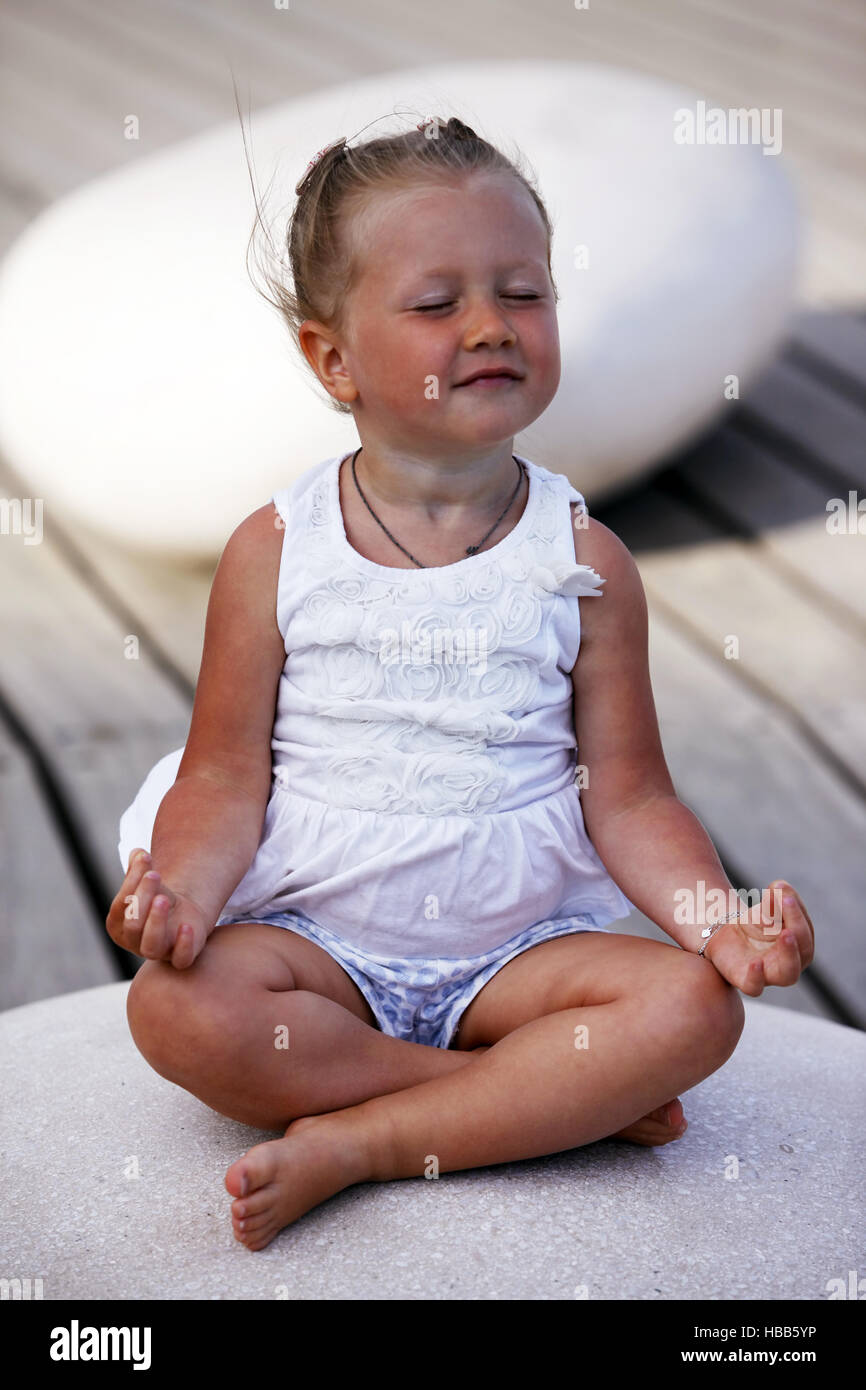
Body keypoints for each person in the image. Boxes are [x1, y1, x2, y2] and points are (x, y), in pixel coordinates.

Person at [107, 116, 815, 1252]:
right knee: (175, 1009)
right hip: (317, 946)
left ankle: (364, 1137)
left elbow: (627, 799)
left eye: (523, 293)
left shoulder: (582, 564)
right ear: (331, 358)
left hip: (516, 954)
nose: (490, 325)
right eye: (437, 305)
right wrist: (183, 890)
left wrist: (714, 920)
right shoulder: (276, 551)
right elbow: (225, 773)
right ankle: (508, 1097)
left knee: (689, 1007)